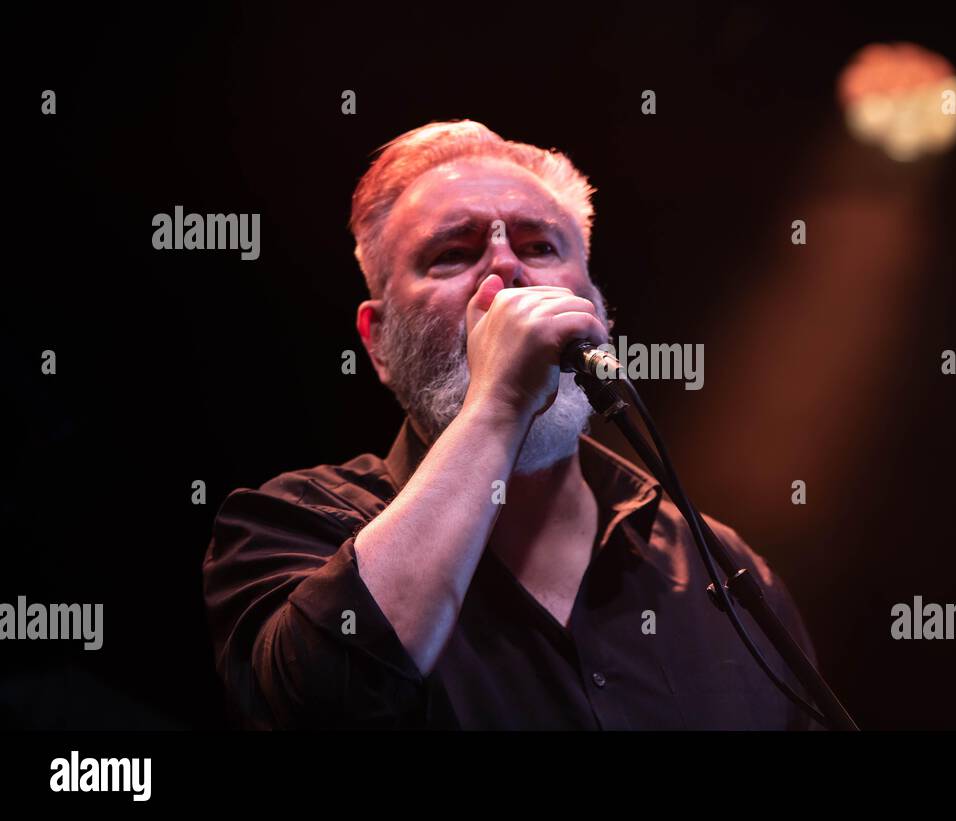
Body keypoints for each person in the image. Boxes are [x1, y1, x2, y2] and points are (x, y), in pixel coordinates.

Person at [202, 120, 820, 729]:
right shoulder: (289, 527)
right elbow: (320, 707)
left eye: (538, 247)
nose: (506, 274)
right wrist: (497, 405)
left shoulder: (725, 570)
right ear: (379, 341)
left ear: (595, 308)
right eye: (453, 254)